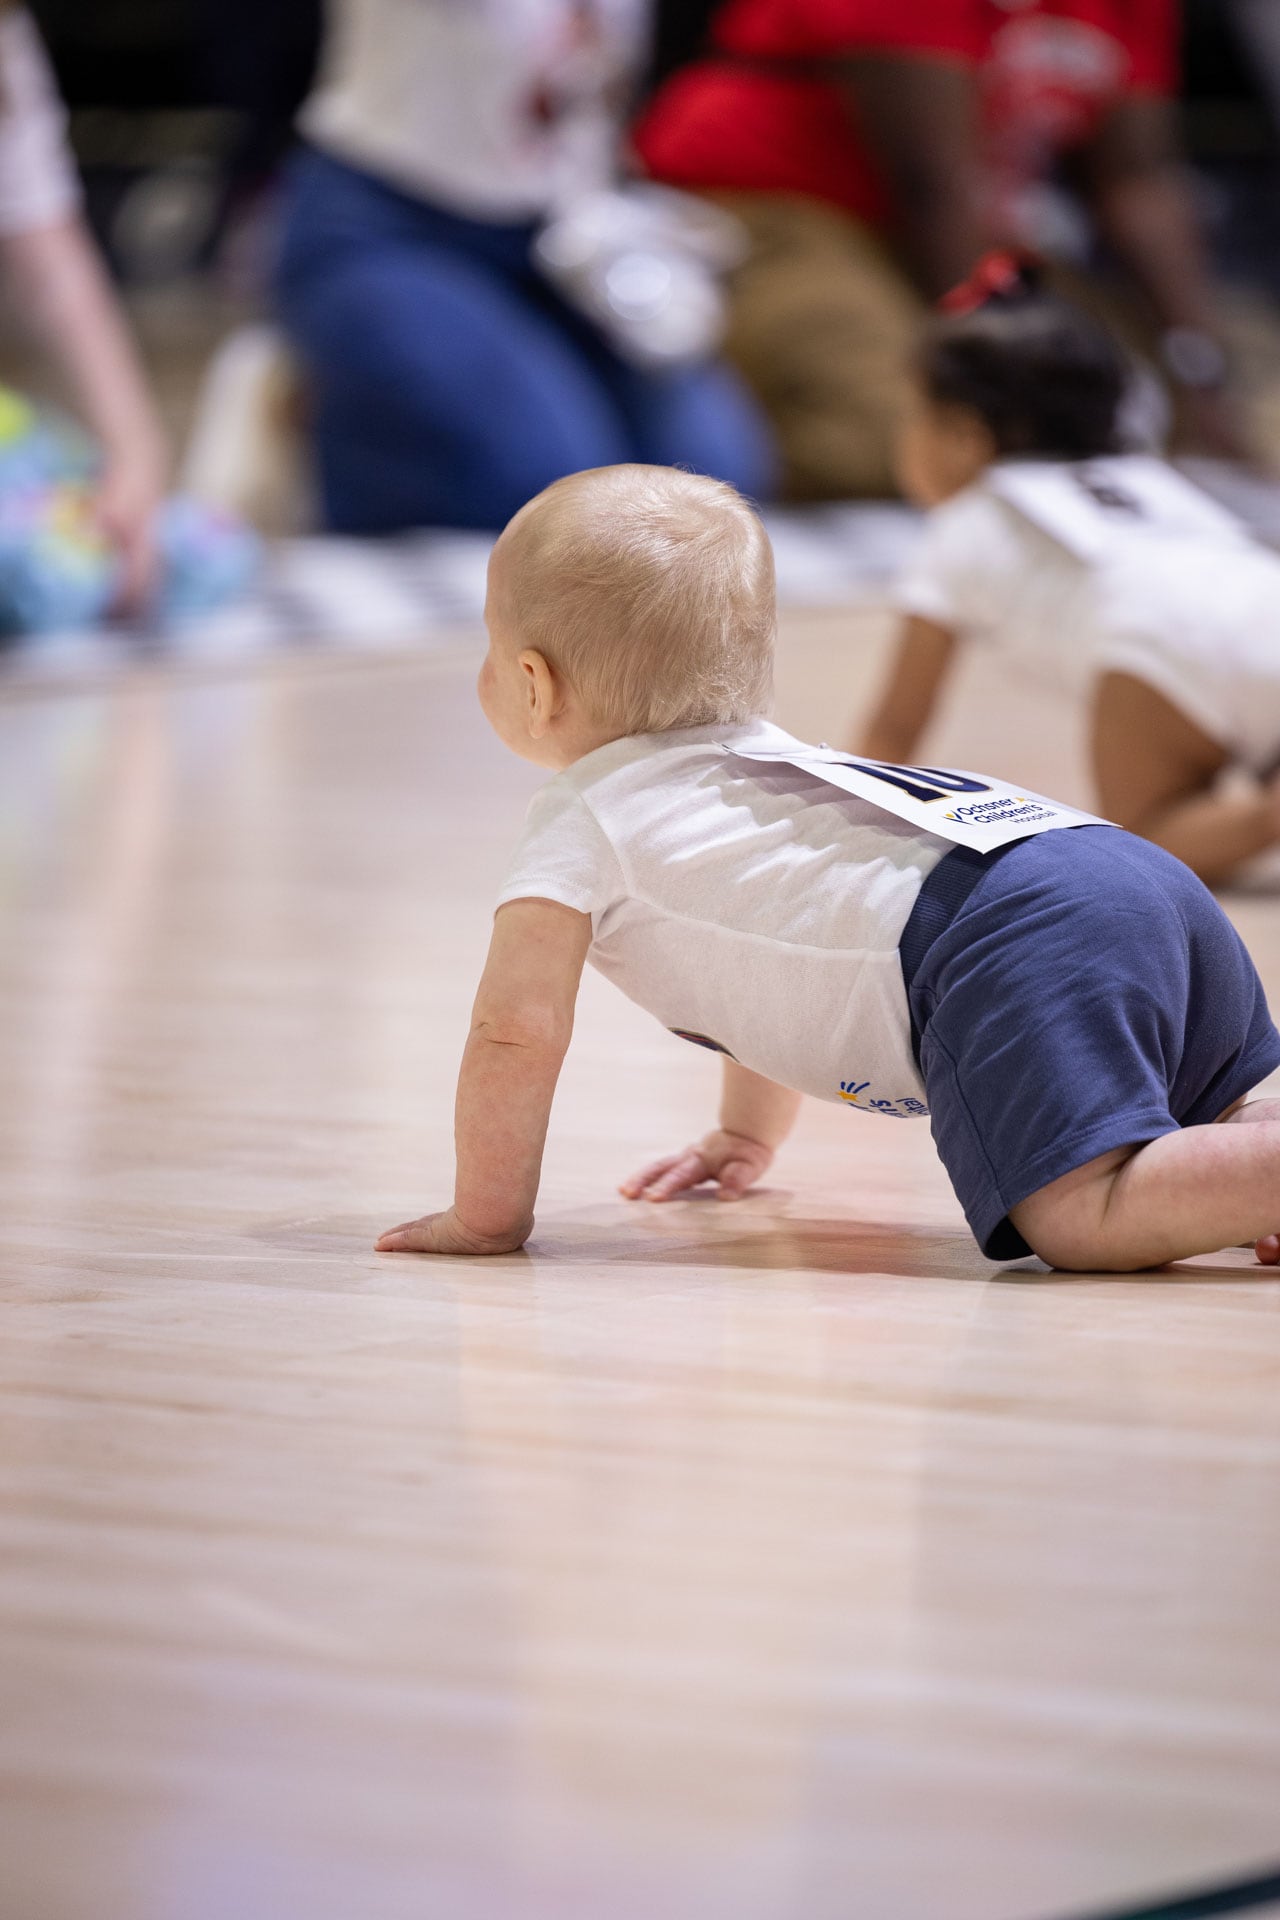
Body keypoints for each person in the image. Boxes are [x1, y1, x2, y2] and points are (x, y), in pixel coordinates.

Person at [374, 463, 1280, 1275]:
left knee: (1083, 1214)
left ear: (533, 683)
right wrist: (740, 1135)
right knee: (1204, 1124)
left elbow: (514, 1031)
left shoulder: (583, 819)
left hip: (1004, 935)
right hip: (1116, 864)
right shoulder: (781, 774)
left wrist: (487, 1220)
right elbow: (766, 958)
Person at [635, 0, 1252, 499]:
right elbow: (932, 183)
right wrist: (1003, 374)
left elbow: (1138, 181)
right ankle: (652, 419)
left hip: (959, 228)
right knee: (888, 440)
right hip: (775, 205)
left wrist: (1195, 366)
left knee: (1202, 398)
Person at [855, 254, 1280, 888]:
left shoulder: (968, 520)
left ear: (964, 438)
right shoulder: (1150, 478)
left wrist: (848, 821)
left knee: (1150, 833)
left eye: (913, 415)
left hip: (1161, 639)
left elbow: (896, 726)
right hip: (1261, 596)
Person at [273, 0, 772, 535]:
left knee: (712, 480)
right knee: (548, 489)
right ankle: (346, 434)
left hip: (569, 227)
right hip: (388, 222)